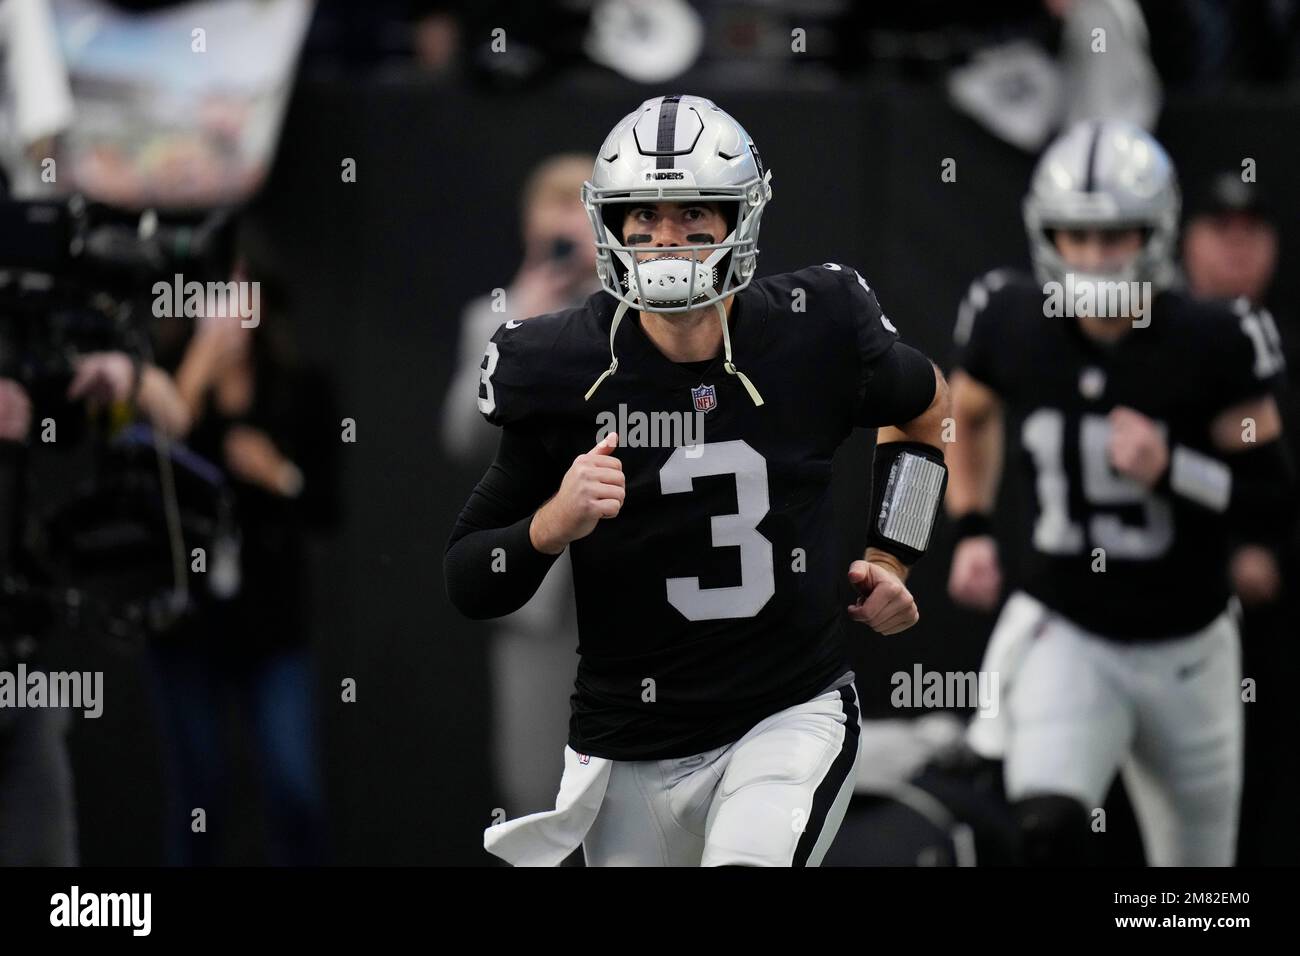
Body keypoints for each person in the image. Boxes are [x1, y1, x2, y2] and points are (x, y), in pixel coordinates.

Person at [445, 94, 951, 867]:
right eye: (642, 218)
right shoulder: (557, 365)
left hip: (785, 713)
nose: (666, 240)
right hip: (628, 747)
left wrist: (892, 555)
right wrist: (552, 523)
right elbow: (470, 578)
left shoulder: (814, 324)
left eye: (692, 217)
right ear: (607, 225)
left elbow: (927, 407)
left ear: (739, 218)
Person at [947, 120, 1295, 865]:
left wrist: (1174, 467)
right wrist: (971, 524)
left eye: (1117, 237)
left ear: (1157, 233)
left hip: (1191, 647)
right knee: (1042, 828)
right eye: (1077, 236)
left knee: (1196, 887)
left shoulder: (1216, 340)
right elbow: (964, 419)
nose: (1097, 258)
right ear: (1048, 237)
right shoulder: (1011, 320)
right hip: (1074, 633)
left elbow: (1270, 494)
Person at [148, 260, 339, 865]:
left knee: (293, 788)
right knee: (201, 792)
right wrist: (194, 377)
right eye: (210, 297)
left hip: (271, 625)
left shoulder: (301, 388)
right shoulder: (163, 386)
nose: (226, 315)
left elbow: (327, 509)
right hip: (189, 624)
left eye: (237, 296)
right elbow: (142, 479)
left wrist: (278, 474)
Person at [441, 154, 596, 822]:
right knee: (533, 783)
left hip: (629, 579)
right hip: (540, 593)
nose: (564, 221)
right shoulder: (494, 318)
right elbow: (460, 438)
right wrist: (514, 336)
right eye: (550, 205)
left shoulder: (636, 318)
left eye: (579, 206)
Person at [1182, 170, 1299, 864]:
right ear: (1185, 241)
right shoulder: (1150, 337)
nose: (1235, 249)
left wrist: (1266, 549)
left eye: (1250, 233)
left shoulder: (1281, 349)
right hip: (1163, 601)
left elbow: (1273, 473)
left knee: (1264, 775)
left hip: (1273, 615)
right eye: (1218, 232)